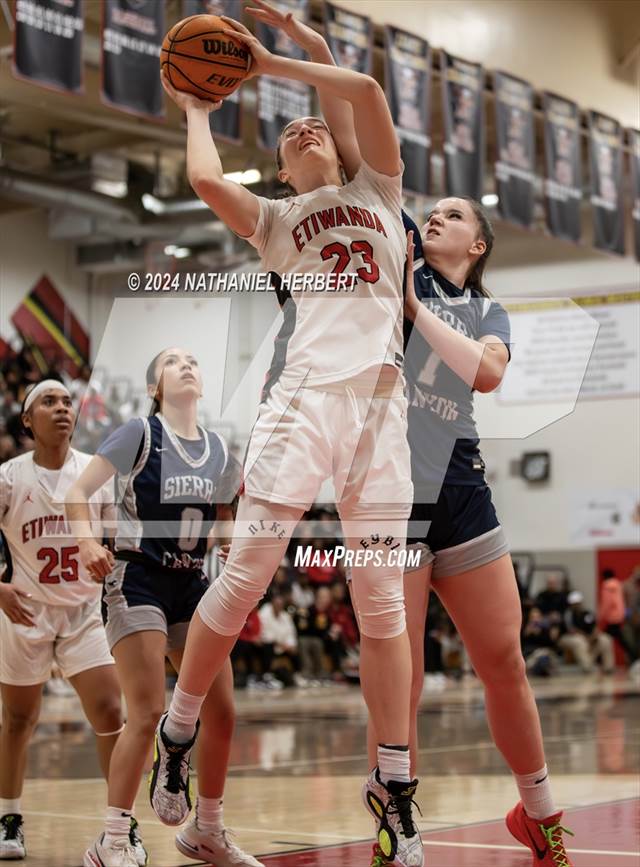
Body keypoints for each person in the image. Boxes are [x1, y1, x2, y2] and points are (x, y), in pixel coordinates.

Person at [245, 5, 577, 864]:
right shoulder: (384, 228)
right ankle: (398, 819)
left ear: (480, 240)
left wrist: (418, 311)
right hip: (384, 472)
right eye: (438, 210)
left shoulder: (479, 306)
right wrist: (312, 48)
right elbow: (354, 121)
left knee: (502, 653)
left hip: (457, 484)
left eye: (457, 214)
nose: (439, 218)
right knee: (398, 668)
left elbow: (489, 372)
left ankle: (538, 809)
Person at [155, 11, 423, 866]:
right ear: (280, 169)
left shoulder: (381, 191)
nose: (303, 125)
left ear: (340, 150)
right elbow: (204, 182)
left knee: (381, 605)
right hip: (304, 404)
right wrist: (198, 105)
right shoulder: (279, 221)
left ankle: (394, 783)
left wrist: (298, 56)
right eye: (287, 134)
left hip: (382, 414)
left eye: (315, 122)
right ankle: (179, 725)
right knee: (247, 579)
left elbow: (368, 92)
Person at [65, 349, 262, 867]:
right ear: (156, 384)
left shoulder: (221, 449)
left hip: (193, 583)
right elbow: (77, 494)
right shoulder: (139, 433)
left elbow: (225, 512)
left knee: (221, 710)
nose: (187, 365)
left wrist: (227, 539)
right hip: (139, 578)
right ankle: (110, 840)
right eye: (173, 361)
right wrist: (87, 543)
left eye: (193, 359)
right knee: (149, 710)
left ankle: (208, 830)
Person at [0, 381, 136, 862]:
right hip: (27, 610)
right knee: (18, 719)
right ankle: (9, 817)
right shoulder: (9, 477)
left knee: (110, 716)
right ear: (27, 419)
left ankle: (121, 826)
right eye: (48, 402)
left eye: (66, 402)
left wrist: (107, 555)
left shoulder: (93, 475)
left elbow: (117, 541)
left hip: (83, 612)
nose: (61, 408)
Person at [559, 590, 614, 673]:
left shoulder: (587, 614)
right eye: (574, 603)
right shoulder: (567, 615)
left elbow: (594, 627)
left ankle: (608, 667)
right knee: (579, 641)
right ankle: (587, 667)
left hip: (588, 637)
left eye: (578, 603)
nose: (577, 605)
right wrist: (587, 637)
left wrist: (594, 635)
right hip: (568, 637)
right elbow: (572, 630)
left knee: (605, 639)